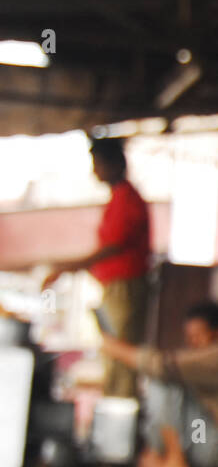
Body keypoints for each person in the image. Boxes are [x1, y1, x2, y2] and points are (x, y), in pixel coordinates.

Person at [43, 137, 151, 398]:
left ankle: (121, 412)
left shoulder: (127, 199)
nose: (95, 171)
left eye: (98, 164)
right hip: (115, 287)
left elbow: (112, 247)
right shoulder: (119, 198)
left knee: (121, 353)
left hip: (125, 287)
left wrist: (67, 268)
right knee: (112, 351)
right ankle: (115, 407)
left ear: (114, 164)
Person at [99, 301, 218, 467]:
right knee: (168, 382)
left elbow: (162, 366)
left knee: (163, 381)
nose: (192, 343)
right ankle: (159, 458)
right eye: (189, 337)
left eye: (198, 336)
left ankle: (174, 462)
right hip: (201, 439)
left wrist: (116, 349)